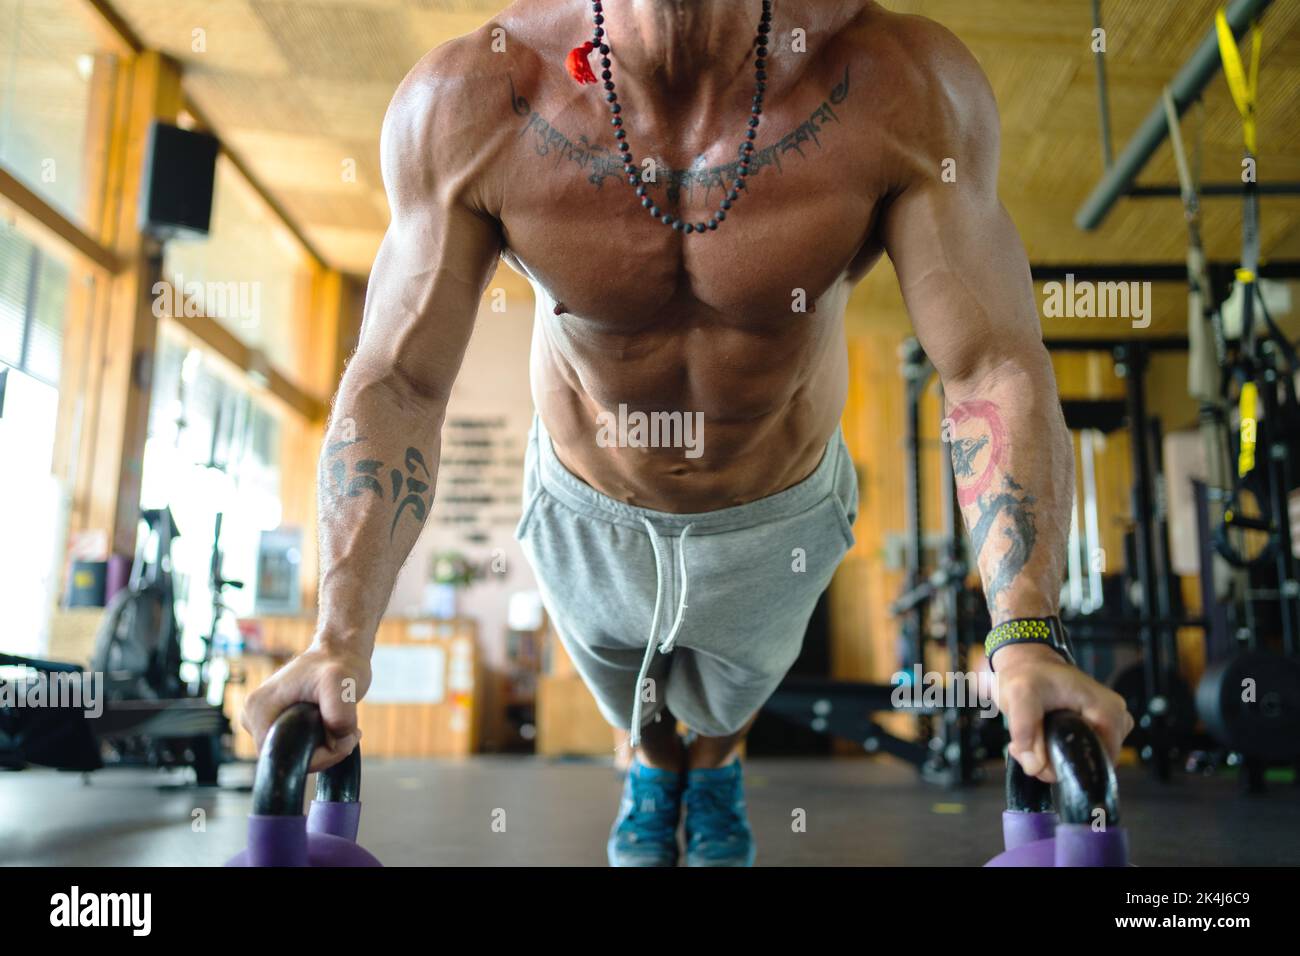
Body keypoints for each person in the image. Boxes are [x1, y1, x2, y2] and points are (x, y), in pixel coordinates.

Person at [242, 0, 1133, 867]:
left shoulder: (898, 82)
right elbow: (400, 380)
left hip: (777, 517)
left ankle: (716, 767)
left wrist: (1024, 633)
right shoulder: (475, 98)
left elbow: (988, 365)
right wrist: (339, 639)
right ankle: (654, 769)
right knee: (644, 722)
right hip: (585, 506)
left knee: (720, 713)